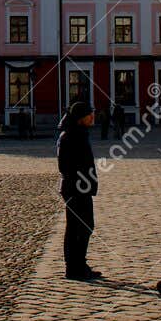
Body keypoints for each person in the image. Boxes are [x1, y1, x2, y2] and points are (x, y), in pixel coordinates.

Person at [57, 101, 101, 281]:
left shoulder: (79, 133)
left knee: (83, 226)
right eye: (89, 114)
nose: (93, 116)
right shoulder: (69, 136)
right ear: (80, 117)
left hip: (80, 187)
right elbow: (66, 166)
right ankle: (74, 267)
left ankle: (79, 264)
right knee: (79, 227)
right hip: (75, 188)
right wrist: (81, 182)